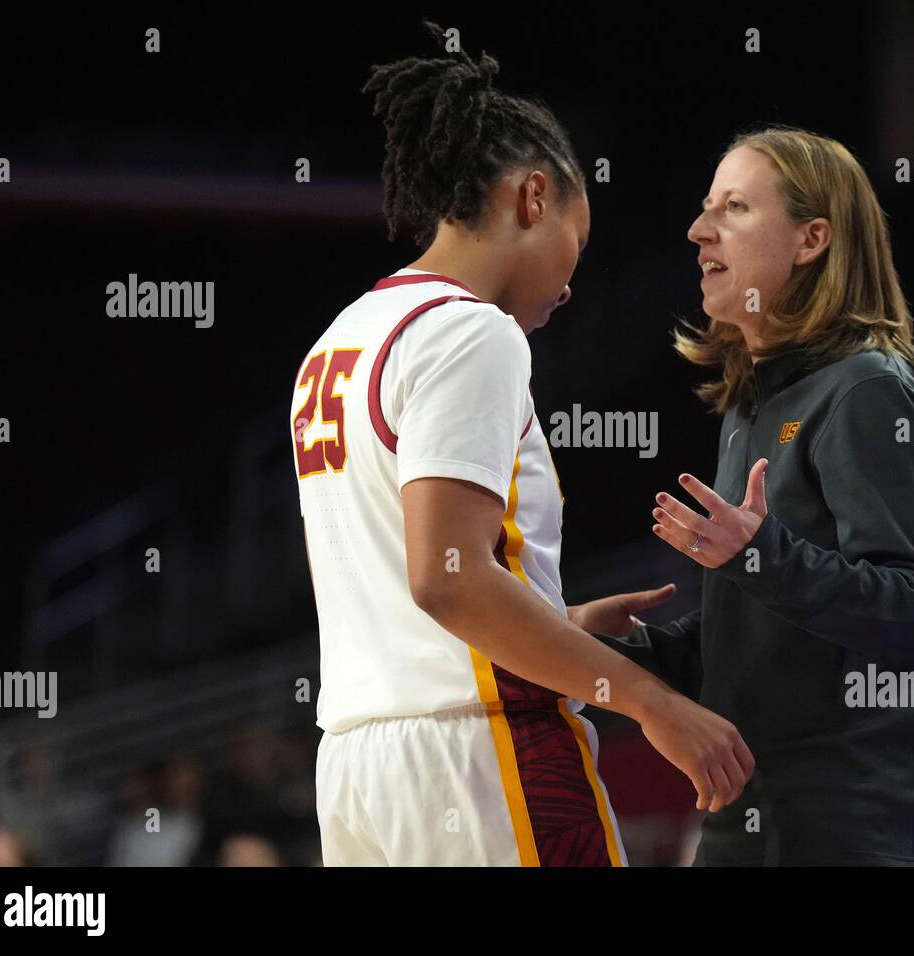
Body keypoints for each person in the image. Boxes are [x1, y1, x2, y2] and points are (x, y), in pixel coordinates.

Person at [291, 22, 753, 867]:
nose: (574, 281)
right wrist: (651, 701)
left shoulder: (342, 337)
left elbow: (412, 602)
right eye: (577, 241)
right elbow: (446, 580)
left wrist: (561, 628)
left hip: (357, 771)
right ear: (533, 198)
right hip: (478, 762)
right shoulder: (472, 332)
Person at [596, 127, 914, 865]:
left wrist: (762, 555)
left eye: (734, 208)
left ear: (811, 240)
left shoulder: (869, 393)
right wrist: (611, 649)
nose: (699, 231)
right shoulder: (750, 405)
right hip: (743, 825)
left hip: (854, 838)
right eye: (705, 208)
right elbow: (770, 648)